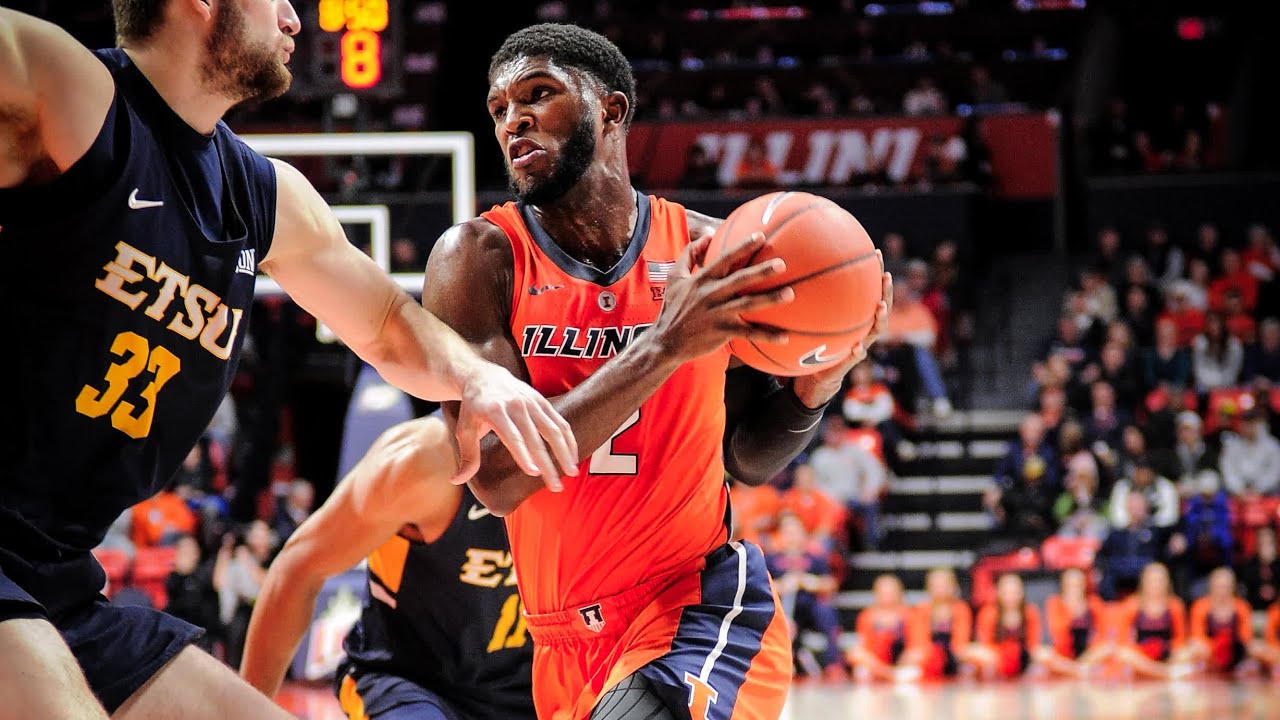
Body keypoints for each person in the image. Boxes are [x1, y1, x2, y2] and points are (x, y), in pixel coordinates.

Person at [0, 6, 578, 719]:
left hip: (58, 578)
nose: (293, 18)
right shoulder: (69, 93)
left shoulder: (263, 197)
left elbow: (391, 324)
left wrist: (479, 376)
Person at [421, 22, 892, 720]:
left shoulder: (708, 252)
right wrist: (662, 347)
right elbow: (496, 477)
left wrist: (816, 389)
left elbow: (747, 457)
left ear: (611, 110)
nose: (513, 119)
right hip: (561, 644)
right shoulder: (479, 259)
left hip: (697, 608)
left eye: (539, 95)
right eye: (498, 109)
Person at [240, 417, 535, 720]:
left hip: (538, 691)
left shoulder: (581, 468)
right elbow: (298, 567)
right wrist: (244, 713)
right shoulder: (427, 459)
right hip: (411, 684)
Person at [1110, 563, 1194, 679]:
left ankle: (1160, 671)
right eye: (1152, 580)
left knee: (1188, 652)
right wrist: (1143, 652)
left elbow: (1180, 639)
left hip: (1168, 654)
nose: (1156, 585)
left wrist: (1167, 650)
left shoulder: (1175, 605)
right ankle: (1166, 673)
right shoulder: (1131, 605)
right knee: (1124, 654)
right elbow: (1123, 640)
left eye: (1160, 580)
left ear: (1167, 582)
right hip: (1142, 657)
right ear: (1143, 582)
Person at [1036, 568, 1112, 678]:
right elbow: (1058, 632)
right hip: (1062, 658)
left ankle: (1076, 670)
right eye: (1070, 584)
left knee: (1108, 648)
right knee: (1042, 654)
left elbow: (1103, 634)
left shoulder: (1094, 603)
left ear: (1084, 584)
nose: (1073, 587)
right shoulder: (1054, 603)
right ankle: (1076, 671)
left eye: (1077, 584)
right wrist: (1071, 610)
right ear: (1063, 585)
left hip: (1088, 657)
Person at [846, 575, 921, 683]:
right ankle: (890, 675)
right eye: (884, 593)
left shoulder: (909, 615)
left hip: (902, 663)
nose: (887, 596)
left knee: (917, 665)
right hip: (878, 664)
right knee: (858, 659)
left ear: (899, 593)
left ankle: (890, 676)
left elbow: (916, 645)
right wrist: (885, 669)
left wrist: (906, 659)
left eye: (891, 593)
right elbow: (865, 647)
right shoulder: (867, 616)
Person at [969, 573, 1043, 680]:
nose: (1011, 596)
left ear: (1022, 592)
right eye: (1006, 592)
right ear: (998, 593)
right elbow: (985, 644)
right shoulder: (988, 613)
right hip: (996, 658)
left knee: (1043, 654)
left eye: (1014, 592)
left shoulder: (1030, 612)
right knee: (978, 653)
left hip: (1023, 658)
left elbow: (1034, 644)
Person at [1184, 567, 1255, 676]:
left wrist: (1230, 647)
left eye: (1226, 586)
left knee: (1256, 648)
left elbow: (1246, 637)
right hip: (1209, 652)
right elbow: (1197, 636)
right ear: (1211, 586)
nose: (1222, 590)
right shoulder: (1200, 606)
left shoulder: (1242, 606)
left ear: (1233, 587)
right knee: (1194, 648)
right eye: (1219, 586)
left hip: (1235, 651)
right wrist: (1217, 647)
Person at [909, 567, 973, 680]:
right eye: (937, 586)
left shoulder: (961, 608)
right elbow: (919, 640)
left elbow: (962, 640)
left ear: (953, 587)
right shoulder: (922, 609)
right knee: (914, 656)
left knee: (976, 655)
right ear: (929, 587)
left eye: (944, 585)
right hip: (929, 654)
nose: (941, 589)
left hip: (955, 653)